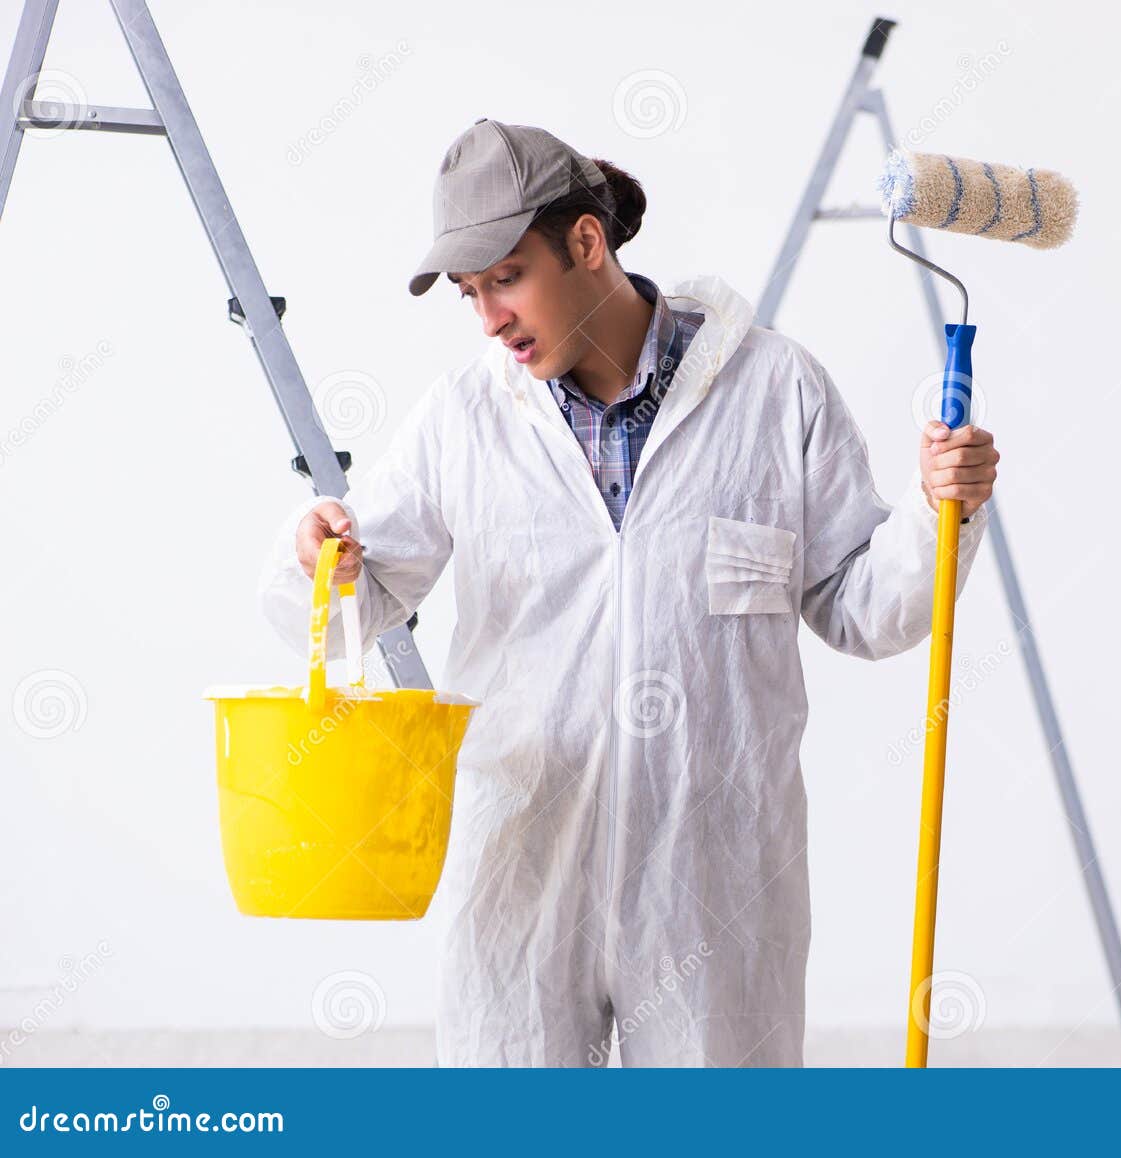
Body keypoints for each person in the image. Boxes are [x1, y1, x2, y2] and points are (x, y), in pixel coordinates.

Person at [258, 119, 1000, 1066]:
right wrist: (320, 556)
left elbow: (865, 609)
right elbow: (340, 617)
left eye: (506, 277)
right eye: (469, 292)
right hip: (520, 873)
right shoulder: (463, 419)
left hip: (717, 886)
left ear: (585, 242)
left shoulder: (776, 393)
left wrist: (944, 513)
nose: (490, 317)